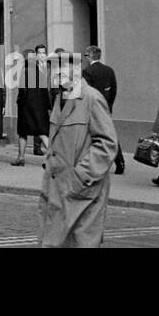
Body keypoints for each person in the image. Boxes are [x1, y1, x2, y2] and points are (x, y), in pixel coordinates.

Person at [37, 59, 118, 248]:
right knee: (54, 240)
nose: (56, 74)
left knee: (81, 242)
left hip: (82, 190)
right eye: (53, 69)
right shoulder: (59, 98)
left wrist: (82, 175)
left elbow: (107, 143)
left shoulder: (91, 98)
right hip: (57, 188)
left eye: (61, 68)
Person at [81, 46, 124, 174]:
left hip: (93, 108)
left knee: (90, 135)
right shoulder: (109, 70)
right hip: (106, 107)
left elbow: (87, 92)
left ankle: (93, 163)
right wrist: (109, 105)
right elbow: (114, 90)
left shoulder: (87, 71)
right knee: (109, 134)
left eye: (85, 55)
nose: (84, 58)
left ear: (89, 56)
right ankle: (119, 160)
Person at [13, 47, 51, 166]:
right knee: (41, 132)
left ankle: (21, 157)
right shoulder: (39, 72)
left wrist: (19, 101)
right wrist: (47, 106)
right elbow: (45, 92)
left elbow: (23, 90)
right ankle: (53, 156)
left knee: (23, 132)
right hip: (40, 106)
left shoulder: (25, 71)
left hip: (27, 107)